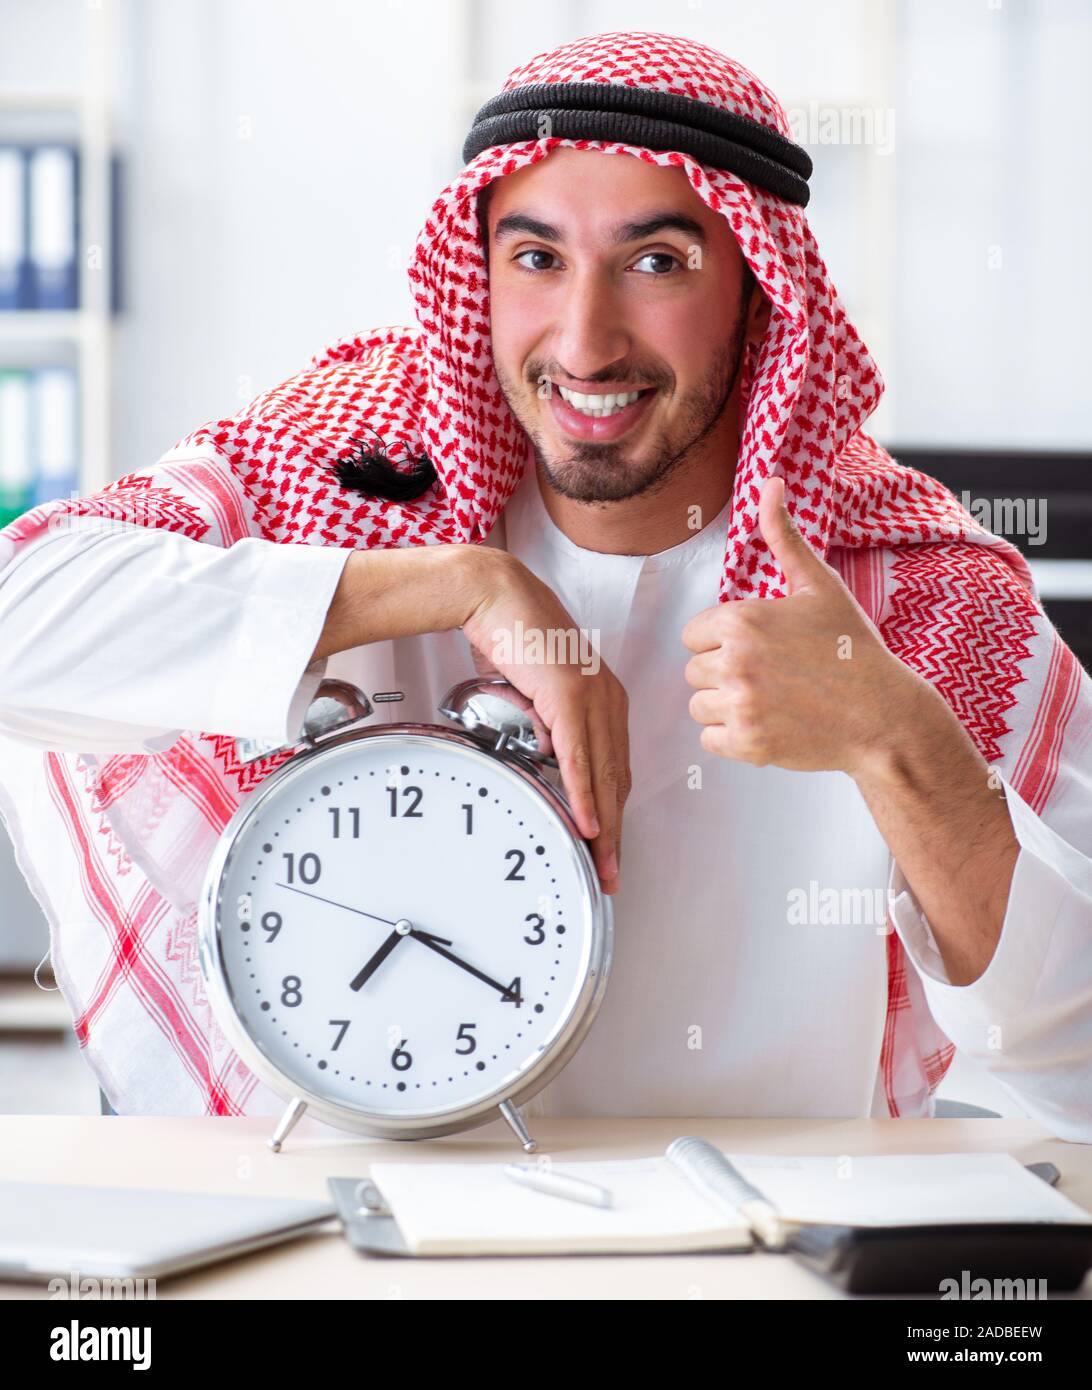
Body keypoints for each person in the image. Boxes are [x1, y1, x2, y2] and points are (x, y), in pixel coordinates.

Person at [0, 31, 1089, 1137]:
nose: (584, 342)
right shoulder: (350, 461)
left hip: (755, 1255)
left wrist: (897, 742)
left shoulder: (915, 590)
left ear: (764, 297)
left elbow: (1078, 1068)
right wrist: (461, 585)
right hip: (360, 1240)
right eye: (535, 258)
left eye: (657, 262)